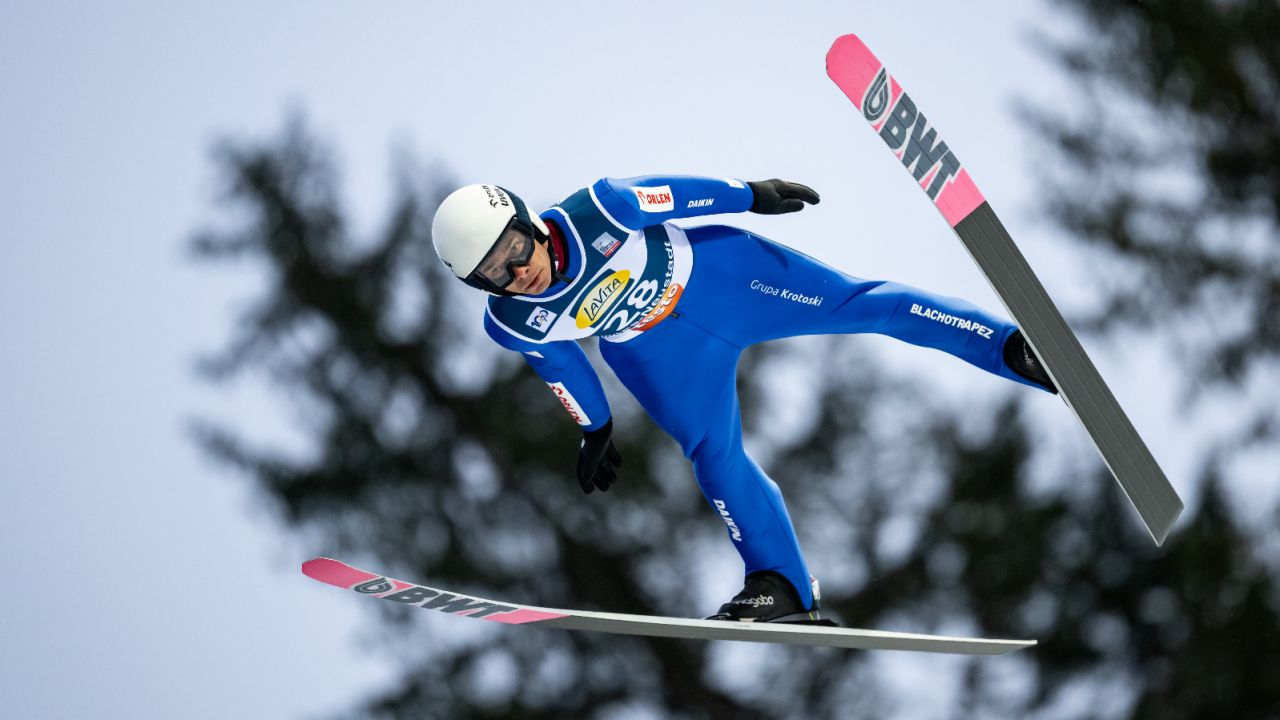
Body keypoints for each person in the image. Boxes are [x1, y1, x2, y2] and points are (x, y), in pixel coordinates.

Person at [430, 176, 1055, 624]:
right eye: (493, 273)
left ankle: (1009, 348)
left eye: (513, 250)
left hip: (722, 278)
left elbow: (676, 195)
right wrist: (594, 428)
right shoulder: (513, 321)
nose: (517, 273)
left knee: (868, 306)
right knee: (713, 455)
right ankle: (780, 582)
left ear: (526, 222)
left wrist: (752, 194)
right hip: (657, 354)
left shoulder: (601, 208)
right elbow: (561, 368)